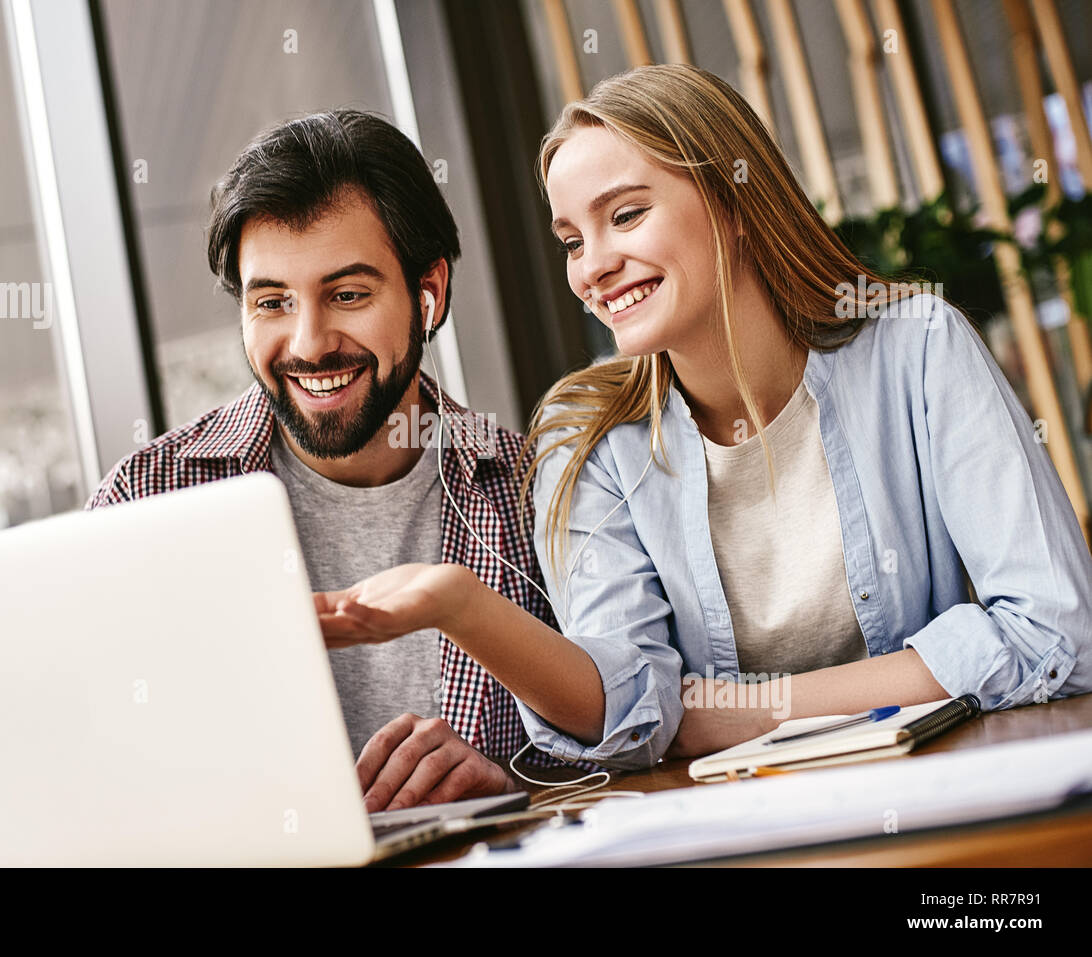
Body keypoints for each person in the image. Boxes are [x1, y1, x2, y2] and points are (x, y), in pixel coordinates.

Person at [315, 65, 1092, 770]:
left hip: (953, 794)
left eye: (625, 215)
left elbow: (1056, 631)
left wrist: (743, 710)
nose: (591, 267)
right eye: (571, 240)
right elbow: (633, 715)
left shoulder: (918, 351)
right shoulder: (590, 442)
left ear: (733, 201)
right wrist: (457, 604)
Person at [86, 109, 565, 808]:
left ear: (428, 293)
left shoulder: (535, 494)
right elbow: (99, 772)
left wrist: (510, 788)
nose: (309, 343)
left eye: (347, 294)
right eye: (273, 301)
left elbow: (624, 743)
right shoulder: (146, 499)